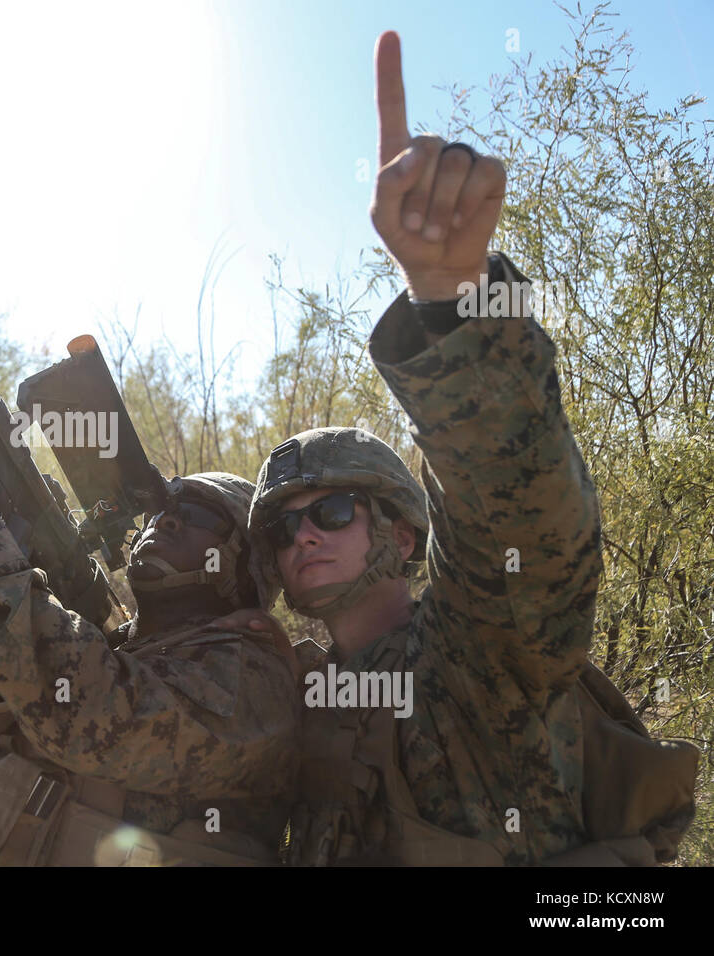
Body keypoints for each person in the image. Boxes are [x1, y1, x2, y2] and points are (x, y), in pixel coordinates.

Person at [217, 30, 697, 866]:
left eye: (331, 510)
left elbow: (522, 513)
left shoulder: (478, 650)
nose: (303, 536)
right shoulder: (304, 697)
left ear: (403, 536)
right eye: (284, 526)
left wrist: (450, 304)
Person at [0, 403, 301, 866]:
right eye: (162, 508)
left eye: (200, 517)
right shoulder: (94, 647)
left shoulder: (251, 677)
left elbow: (95, 721)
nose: (164, 520)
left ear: (244, 571)